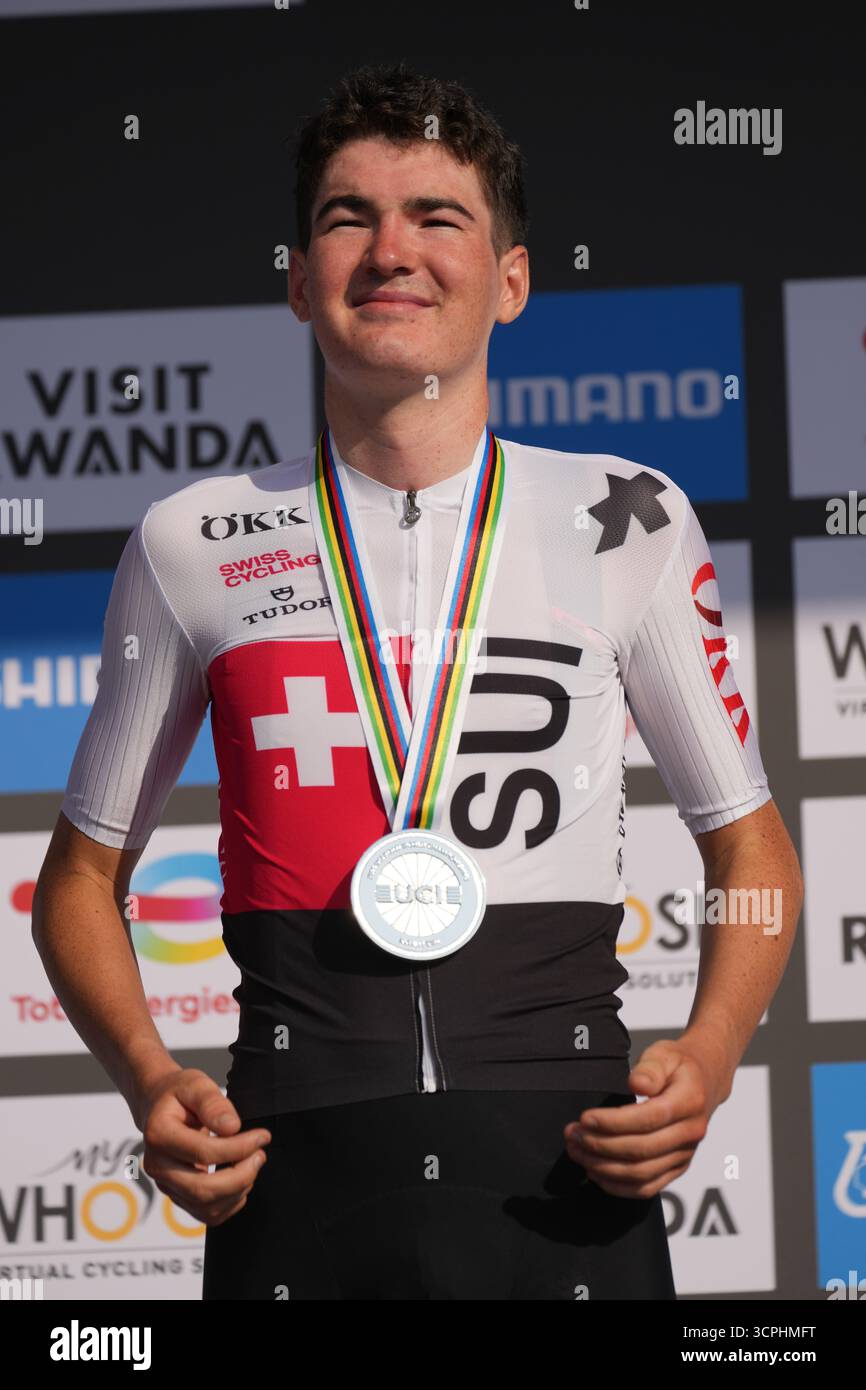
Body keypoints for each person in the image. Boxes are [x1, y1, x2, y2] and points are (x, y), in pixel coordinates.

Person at [33, 63, 803, 1301]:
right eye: (347, 217)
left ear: (510, 281)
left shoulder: (629, 519)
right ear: (295, 280)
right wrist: (146, 1071)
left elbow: (753, 853)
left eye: (436, 216)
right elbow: (77, 879)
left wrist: (709, 1054)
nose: (391, 250)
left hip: (568, 1173)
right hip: (295, 1170)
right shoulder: (193, 539)